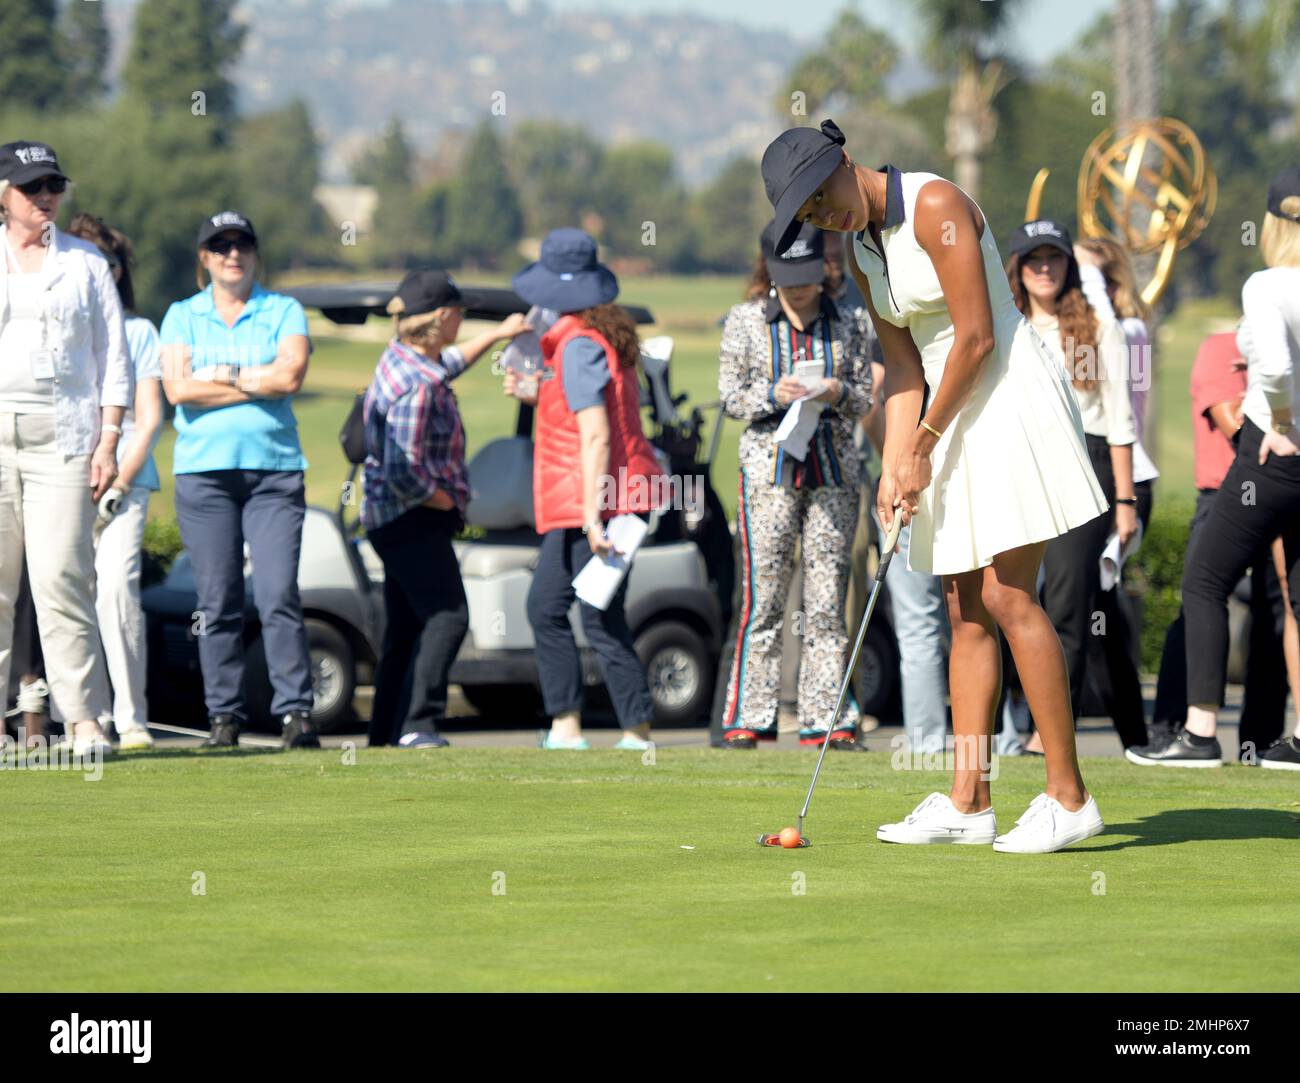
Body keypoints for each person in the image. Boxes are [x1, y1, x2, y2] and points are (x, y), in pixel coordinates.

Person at [762, 119, 1107, 852]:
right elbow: (906, 367)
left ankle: (1068, 795)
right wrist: (895, 460)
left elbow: (976, 335)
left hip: (1007, 398)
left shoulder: (935, 205)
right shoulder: (860, 250)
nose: (828, 216)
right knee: (964, 608)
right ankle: (969, 799)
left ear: (845, 162)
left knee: (1009, 595)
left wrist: (921, 443)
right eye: (813, 215)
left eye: (824, 196)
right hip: (946, 412)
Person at [1132, 168, 1300, 769]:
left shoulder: (1267, 283)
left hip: (1274, 451)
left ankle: (1199, 733)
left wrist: (1279, 420)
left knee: (1204, 580)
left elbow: (1276, 369)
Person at [159, 211, 317, 751]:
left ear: (255, 253)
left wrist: (220, 376)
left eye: (242, 244)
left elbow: (290, 375)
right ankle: (224, 717)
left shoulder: (284, 310)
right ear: (204, 257)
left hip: (275, 473)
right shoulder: (182, 316)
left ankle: (296, 713)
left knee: (277, 595)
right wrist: (258, 381)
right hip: (204, 476)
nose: (233, 254)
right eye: (220, 246)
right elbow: (177, 391)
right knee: (218, 600)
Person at [716, 219, 874, 749]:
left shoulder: (849, 320)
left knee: (828, 596)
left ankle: (828, 718)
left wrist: (836, 391)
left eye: (807, 273)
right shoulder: (744, 322)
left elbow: (866, 397)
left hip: (834, 464)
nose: (800, 285)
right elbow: (731, 397)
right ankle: (750, 714)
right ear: (770, 271)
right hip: (768, 466)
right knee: (765, 594)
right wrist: (773, 393)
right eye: (789, 275)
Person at [506, 228, 665, 751]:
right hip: (611, 498)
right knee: (583, 611)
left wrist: (593, 517)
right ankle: (613, 730)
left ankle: (579, 728)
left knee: (571, 612)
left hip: (594, 502)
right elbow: (586, 416)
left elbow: (596, 433)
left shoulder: (575, 347)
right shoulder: (596, 338)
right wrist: (536, 392)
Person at [0, 140, 131, 759]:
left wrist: (108, 440)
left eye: (53, 185)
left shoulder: (86, 264)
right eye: (32, 187)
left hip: (66, 434)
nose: (46, 196)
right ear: (4, 194)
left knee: (61, 578)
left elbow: (114, 360)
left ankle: (84, 720)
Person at [362, 270, 529, 748]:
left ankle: (384, 735)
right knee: (449, 616)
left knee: (406, 628)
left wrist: (498, 334)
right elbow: (403, 469)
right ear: (442, 316)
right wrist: (447, 500)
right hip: (411, 517)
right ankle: (420, 723)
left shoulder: (403, 360)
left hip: (388, 519)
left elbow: (448, 363)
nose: (463, 319)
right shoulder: (419, 386)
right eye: (460, 312)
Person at [1006, 220, 1147, 751]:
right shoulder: (1006, 325)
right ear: (1018, 265)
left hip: (1083, 463)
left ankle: (1049, 733)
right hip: (1017, 464)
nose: (1045, 268)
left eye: (1055, 258)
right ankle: (1135, 734)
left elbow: (1118, 418)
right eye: (1034, 259)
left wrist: (1127, 502)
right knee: (1023, 600)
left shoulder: (1094, 327)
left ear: (1069, 266)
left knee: (1067, 603)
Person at [1148, 332, 1290, 757]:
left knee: (1276, 616)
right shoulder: (1220, 349)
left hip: (1277, 492)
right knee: (1200, 599)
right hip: (1225, 495)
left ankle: (1259, 743)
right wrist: (1270, 395)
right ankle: (1176, 727)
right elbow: (1233, 424)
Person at [66, 213, 163, 751]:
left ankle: (130, 717)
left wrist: (117, 483)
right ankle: (84, 716)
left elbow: (147, 418)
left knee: (118, 591)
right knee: (70, 593)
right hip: (67, 481)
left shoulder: (139, 331)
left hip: (126, 482)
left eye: (112, 264)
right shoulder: (66, 331)